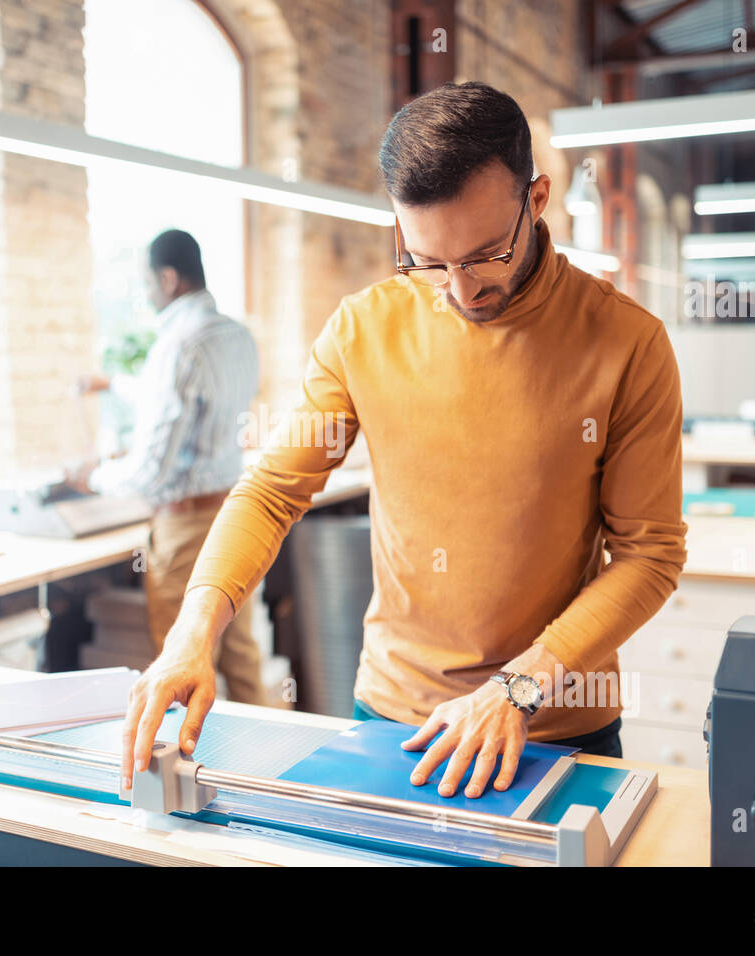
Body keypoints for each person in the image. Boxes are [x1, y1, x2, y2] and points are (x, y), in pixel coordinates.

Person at [121, 83, 688, 800]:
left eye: (485, 254)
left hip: (555, 724)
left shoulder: (627, 344)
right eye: (428, 260)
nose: (460, 288)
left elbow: (650, 555)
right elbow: (271, 492)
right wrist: (193, 628)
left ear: (537, 199)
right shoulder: (365, 328)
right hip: (396, 718)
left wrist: (519, 687)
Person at [69, 229, 264, 704]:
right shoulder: (237, 337)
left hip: (184, 527)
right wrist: (113, 384)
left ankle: (201, 775)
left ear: (170, 278)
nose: (146, 293)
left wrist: (91, 478)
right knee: (242, 656)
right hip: (236, 516)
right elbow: (180, 398)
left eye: (148, 282)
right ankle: (262, 773)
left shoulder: (176, 345)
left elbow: (151, 470)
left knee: (183, 670)